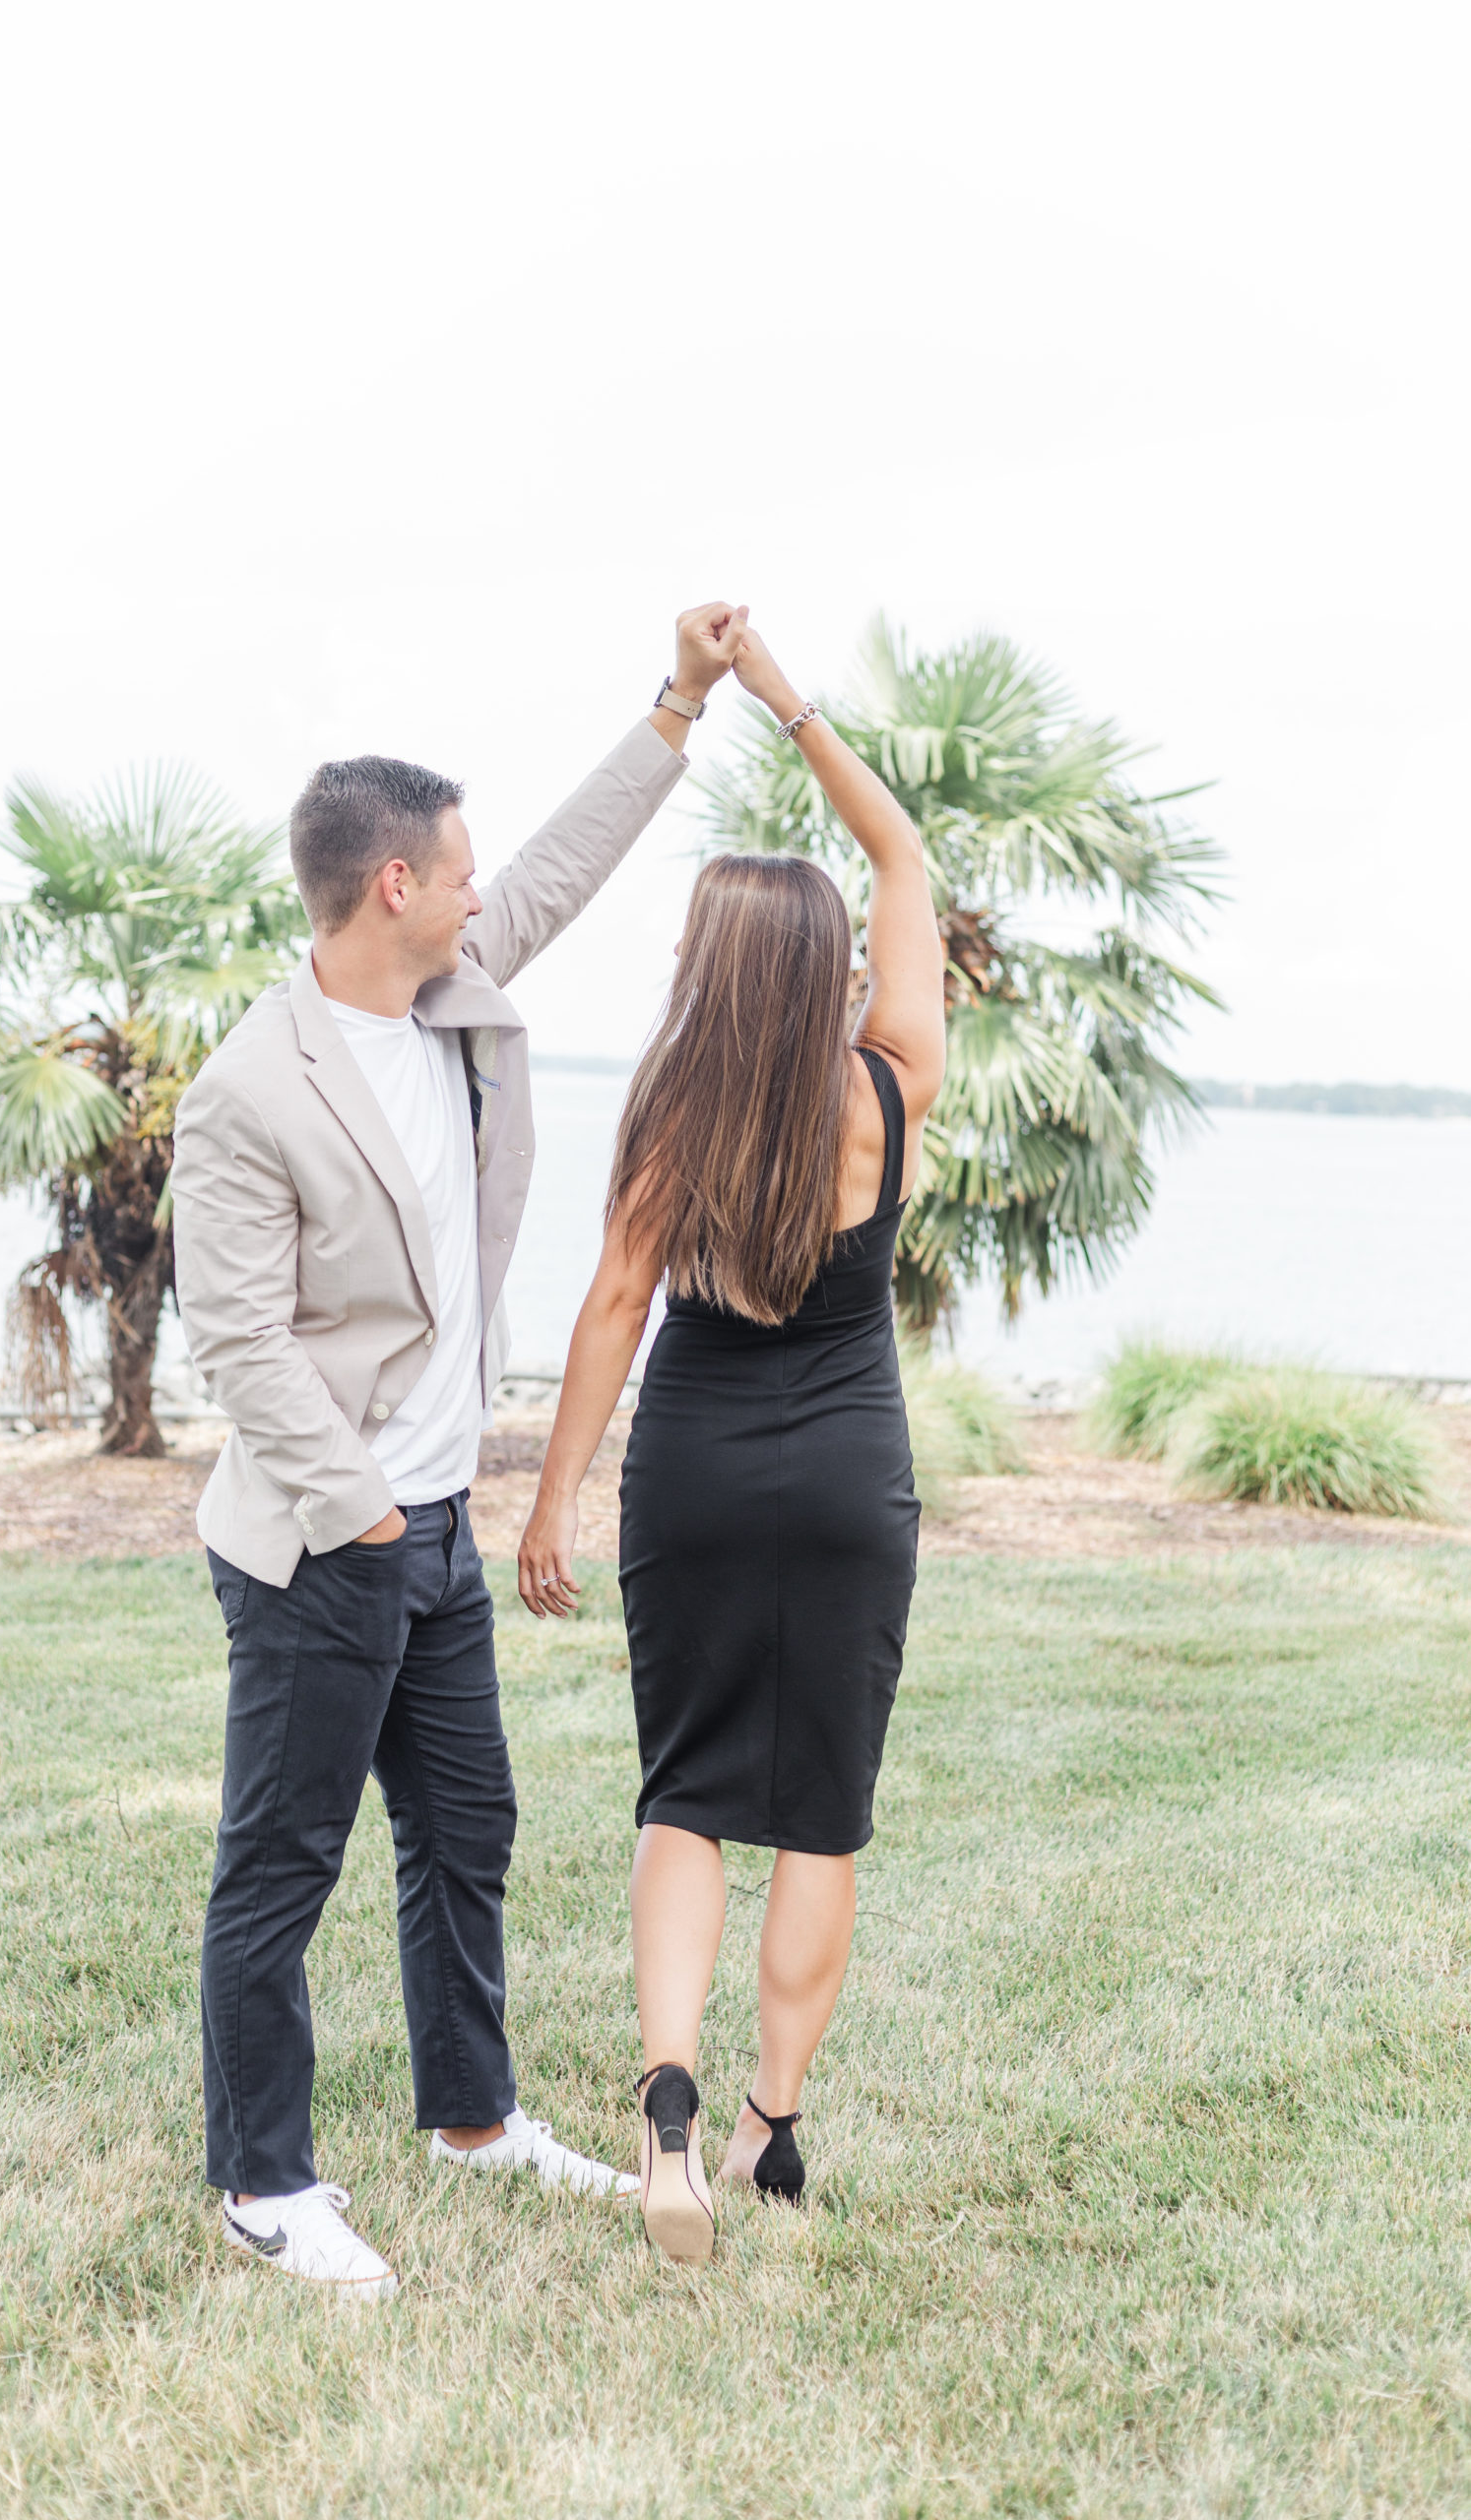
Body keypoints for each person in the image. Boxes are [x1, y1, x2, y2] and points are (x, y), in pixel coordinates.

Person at [170, 600, 749, 2299]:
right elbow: (239, 1342)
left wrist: (676, 706)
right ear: (390, 889)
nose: (487, 890)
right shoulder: (249, 1089)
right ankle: (266, 2182)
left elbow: (561, 866)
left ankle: (473, 2120)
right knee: (279, 1866)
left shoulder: (453, 998)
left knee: (466, 1827)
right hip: (320, 1538)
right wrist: (359, 1516)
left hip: (436, 1532)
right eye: (460, 871)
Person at [516, 623, 946, 2264]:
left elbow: (615, 1306)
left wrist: (555, 1494)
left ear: (706, 972)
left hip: (690, 1471)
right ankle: (773, 2126)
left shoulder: (673, 1098)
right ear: (830, 963)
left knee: (686, 1795)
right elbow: (899, 846)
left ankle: (671, 2110)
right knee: (821, 1815)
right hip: (848, 1482)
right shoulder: (889, 1085)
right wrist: (781, 688)